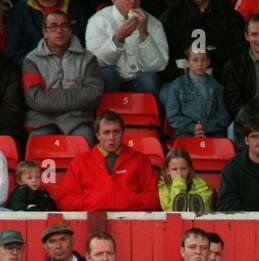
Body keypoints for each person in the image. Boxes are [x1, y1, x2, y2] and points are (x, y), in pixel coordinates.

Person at [23, 10, 103, 143]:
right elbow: (34, 98)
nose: (59, 31)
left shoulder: (88, 59)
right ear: (45, 31)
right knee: (36, 142)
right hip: (42, 120)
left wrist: (51, 96)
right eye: (53, 26)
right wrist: (76, 95)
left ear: (71, 30)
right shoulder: (31, 60)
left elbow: (93, 95)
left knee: (85, 139)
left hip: (78, 120)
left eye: (64, 26)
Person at [56, 111, 156, 211]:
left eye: (116, 132)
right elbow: (65, 201)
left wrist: (126, 202)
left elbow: (155, 198)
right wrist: (95, 202)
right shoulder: (80, 162)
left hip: (131, 219)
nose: (112, 138)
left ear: (123, 133)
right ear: (97, 135)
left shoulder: (140, 160)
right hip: (92, 218)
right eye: (106, 133)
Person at [85, 0, 167, 95]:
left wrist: (144, 36)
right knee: (107, 74)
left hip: (139, 77)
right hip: (111, 78)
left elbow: (159, 66)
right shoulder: (98, 21)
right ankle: (109, 105)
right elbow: (94, 62)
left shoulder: (154, 23)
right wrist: (117, 39)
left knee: (149, 80)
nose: (133, 1)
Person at [163, 42, 230, 137]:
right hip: (185, 133)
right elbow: (173, 116)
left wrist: (204, 128)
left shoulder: (216, 86)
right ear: (187, 63)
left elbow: (223, 116)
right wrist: (192, 127)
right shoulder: (177, 85)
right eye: (195, 60)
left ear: (209, 62)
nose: (200, 64)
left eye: (203, 60)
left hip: (212, 133)